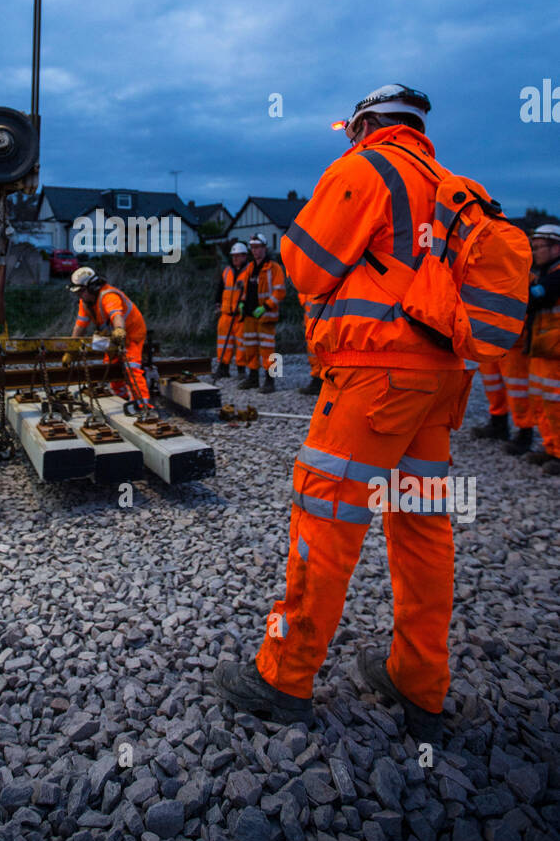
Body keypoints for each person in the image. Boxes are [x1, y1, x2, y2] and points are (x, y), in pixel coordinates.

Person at [213, 83, 525, 740]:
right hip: (440, 386)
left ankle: (284, 678)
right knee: (422, 526)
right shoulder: (450, 186)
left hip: (375, 380)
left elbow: (304, 264)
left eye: (350, 130)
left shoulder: (368, 168)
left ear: (366, 125)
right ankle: (420, 685)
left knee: (326, 516)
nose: (348, 140)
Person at [63, 266, 152, 408]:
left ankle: (143, 406)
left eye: (81, 291)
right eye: (77, 292)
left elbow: (116, 316)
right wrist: (71, 350)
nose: (79, 295)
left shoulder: (109, 296)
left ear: (92, 287)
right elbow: (79, 327)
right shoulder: (85, 303)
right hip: (112, 336)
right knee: (110, 366)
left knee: (131, 367)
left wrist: (119, 330)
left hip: (132, 334)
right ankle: (121, 397)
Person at [522, 224, 560, 475]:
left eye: (539, 248)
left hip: (554, 351)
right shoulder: (546, 273)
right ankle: (551, 447)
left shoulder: (556, 276)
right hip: (545, 348)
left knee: (554, 403)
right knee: (542, 401)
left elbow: (536, 298)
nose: (536, 253)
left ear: (556, 247)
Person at [236, 233, 286, 393]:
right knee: (250, 347)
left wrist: (265, 306)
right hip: (250, 315)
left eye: (258, 247)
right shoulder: (250, 267)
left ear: (264, 248)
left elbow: (280, 291)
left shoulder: (274, 268)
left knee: (267, 350)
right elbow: (246, 288)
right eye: (253, 248)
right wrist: (242, 303)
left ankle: (270, 381)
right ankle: (253, 377)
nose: (255, 251)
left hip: (265, 316)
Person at [214, 241, 248, 377]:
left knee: (241, 344)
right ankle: (223, 368)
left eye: (238, 256)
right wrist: (217, 303)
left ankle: (241, 370)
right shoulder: (227, 271)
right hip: (226, 313)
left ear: (245, 256)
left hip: (240, 315)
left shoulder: (249, 271)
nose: (235, 258)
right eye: (233, 256)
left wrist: (245, 306)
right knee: (223, 342)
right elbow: (220, 288)